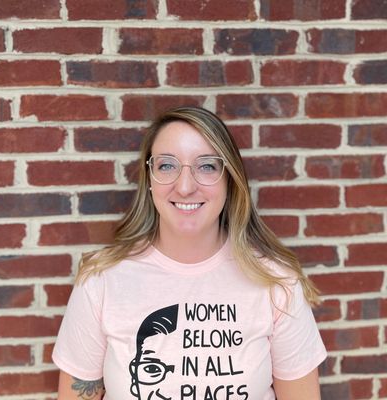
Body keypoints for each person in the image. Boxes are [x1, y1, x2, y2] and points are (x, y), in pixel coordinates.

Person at [53, 106, 327, 400]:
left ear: (229, 179)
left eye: (207, 166)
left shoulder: (277, 283)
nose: (185, 187)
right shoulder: (101, 280)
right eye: (166, 166)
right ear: (149, 179)